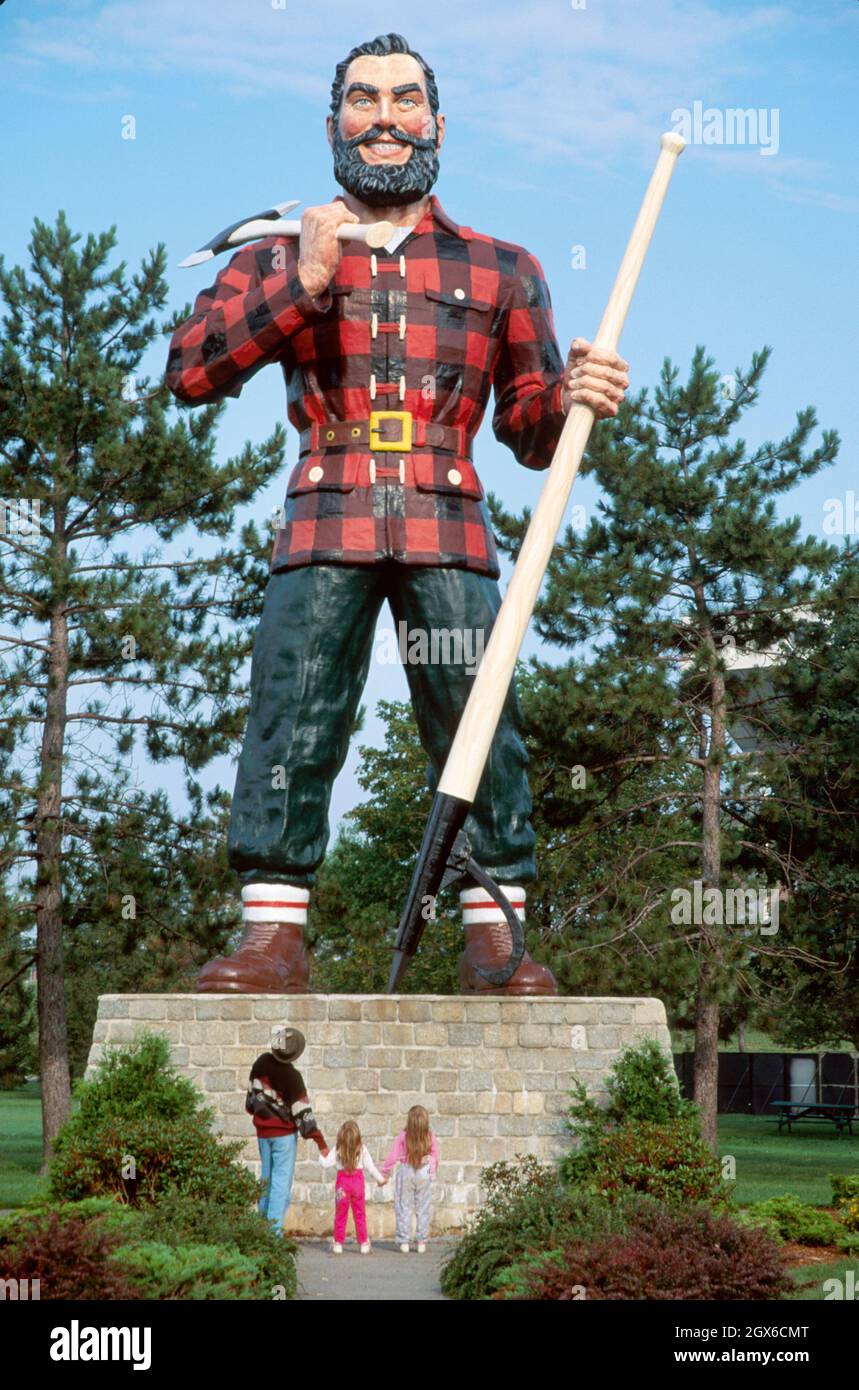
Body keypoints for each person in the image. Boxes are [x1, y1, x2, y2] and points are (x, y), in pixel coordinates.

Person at [166, 32, 630, 997]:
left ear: (437, 123)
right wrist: (304, 281)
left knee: (477, 715)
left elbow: (531, 434)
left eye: (405, 100)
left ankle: (493, 936)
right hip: (322, 517)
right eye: (364, 100)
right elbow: (192, 372)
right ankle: (272, 937)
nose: (385, 118)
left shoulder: (503, 267)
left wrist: (575, 395)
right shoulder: (281, 252)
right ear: (333, 122)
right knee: (292, 711)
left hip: (447, 519)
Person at [246, 1026, 328, 1235]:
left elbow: (250, 1102)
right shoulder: (293, 1077)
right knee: (280, 1187)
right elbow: (303, 1115)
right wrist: (320, 1142)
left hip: (263, 1135)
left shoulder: (260, 1064)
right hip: (283, 1136)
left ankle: (259, 1231)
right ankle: (272, 1237)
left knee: (266, 1182)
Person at [319, 1118, 386, 1253]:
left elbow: (325, 1164)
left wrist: (320, 1155)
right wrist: (381, 1179)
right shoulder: (362, 1149)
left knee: (340, 1214)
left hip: (342, 1184)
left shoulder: (337, 1148)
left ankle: (338, 1243)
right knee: (360, 1214)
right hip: (357, 1182)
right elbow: (371, 1167)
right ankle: (363, 1244)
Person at [380, 1104, 438, 1253]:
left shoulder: (403, 1135)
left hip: (406, 1170)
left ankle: (404, 1241)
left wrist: (384, 1173)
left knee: (403, 1207)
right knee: (423, 1208)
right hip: (424, 1171)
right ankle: (421, 1242)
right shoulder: (430, 1136)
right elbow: (435, 1156)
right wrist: (432, 1171)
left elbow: (392, 1156)